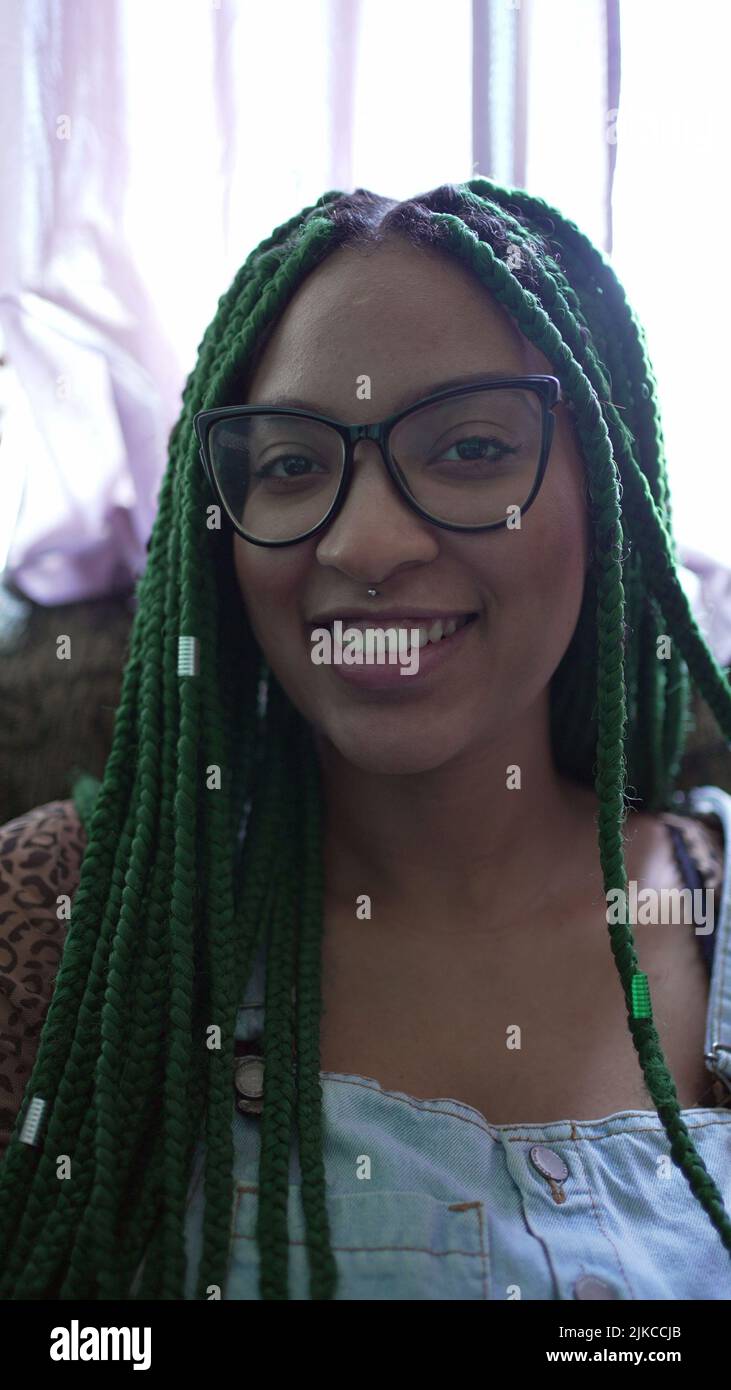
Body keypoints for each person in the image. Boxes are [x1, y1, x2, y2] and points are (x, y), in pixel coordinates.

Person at [1, 179, 730, 1302]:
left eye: (472, 446)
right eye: (291, 465)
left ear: (606, 493)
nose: (368, 541)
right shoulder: (62, 915)